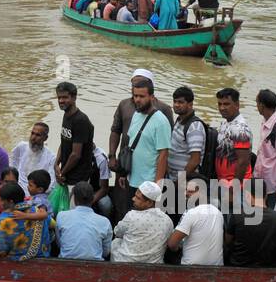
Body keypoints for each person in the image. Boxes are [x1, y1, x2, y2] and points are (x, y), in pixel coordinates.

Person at [109, 76, 171, 219]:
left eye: (142, 96)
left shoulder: (161, 122)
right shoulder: (136, 116)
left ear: (152, 97)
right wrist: (125, 173)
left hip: (148, 183)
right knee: (132, 218)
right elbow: (131, 147)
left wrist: (157, 187)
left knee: (146, 221)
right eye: (135, 96)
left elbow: (163, 155)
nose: (137, 99)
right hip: (132, 180)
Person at [111, 180, 174, 264]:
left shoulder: (131, 216)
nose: (133, 199)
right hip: (154, 265)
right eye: (135, 196)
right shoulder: (167, 220)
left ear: (149, 203)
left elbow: (117, 232)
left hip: (125, 264)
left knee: (116, 242)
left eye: (138, 198)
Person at [167, 176, 225, 265]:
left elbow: (172, 244)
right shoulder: (218, 212)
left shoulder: (192, 213)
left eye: (190, 191)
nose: (186, 194)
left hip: (190, 268)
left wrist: (177, 249)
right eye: (186, 190)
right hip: (217, 267)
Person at [0, 182, 52, 261]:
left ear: (11, 201)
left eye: (1, 199)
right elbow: (52, 224)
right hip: (43, 258)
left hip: (18, 262)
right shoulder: (37, 211)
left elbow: (0, 250)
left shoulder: (4, 220)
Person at [225, 188, 276, 266]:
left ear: (248, 196)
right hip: (268, 268)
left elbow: (228, 241)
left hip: (239, 266)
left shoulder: (237, 215)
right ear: (266, 196)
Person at [54, 181, 112, 261]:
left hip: (66, 262)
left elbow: (60, 244)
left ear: (74, 199)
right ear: (92, 198)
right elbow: (106, 252)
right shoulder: (104, 222)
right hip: (96, 265)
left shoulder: (61, 216)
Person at [54, 82, 96, 190]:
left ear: (74, 98)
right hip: (67, 174)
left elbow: (76, 155)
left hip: (78, 178)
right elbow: (64, 141)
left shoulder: (80, 120)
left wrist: (61, 173)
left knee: (73, 206)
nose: (61, 101)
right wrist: (56, 164)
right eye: (59, 97)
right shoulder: (66, 114)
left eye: (65, 97)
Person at [214, 87, 253, 183]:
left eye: (226, 104)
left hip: (238, 185)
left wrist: (234, 188)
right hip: (224, 182)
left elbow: (243, 161)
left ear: (237, 105)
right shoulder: (224, 123)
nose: (222, 108)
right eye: (220, 104)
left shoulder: (240, 129)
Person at [168, 86, 207, 180]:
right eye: (175, 101)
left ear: (190, 104)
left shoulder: (195, 127)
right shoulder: (179, 120)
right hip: (172, 178)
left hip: (186, 182)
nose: (176, 105)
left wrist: (180, 181)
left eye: (180, 102)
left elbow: (195, 160)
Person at [9, 122, 56, 194]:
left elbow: (51, 184)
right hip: (17, 190)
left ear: (45, 138)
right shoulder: (21, 147)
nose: (33, 138)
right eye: (32, 133)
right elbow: (12, 167)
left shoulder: (51, 157)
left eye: (38, 135)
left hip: (37, 194)